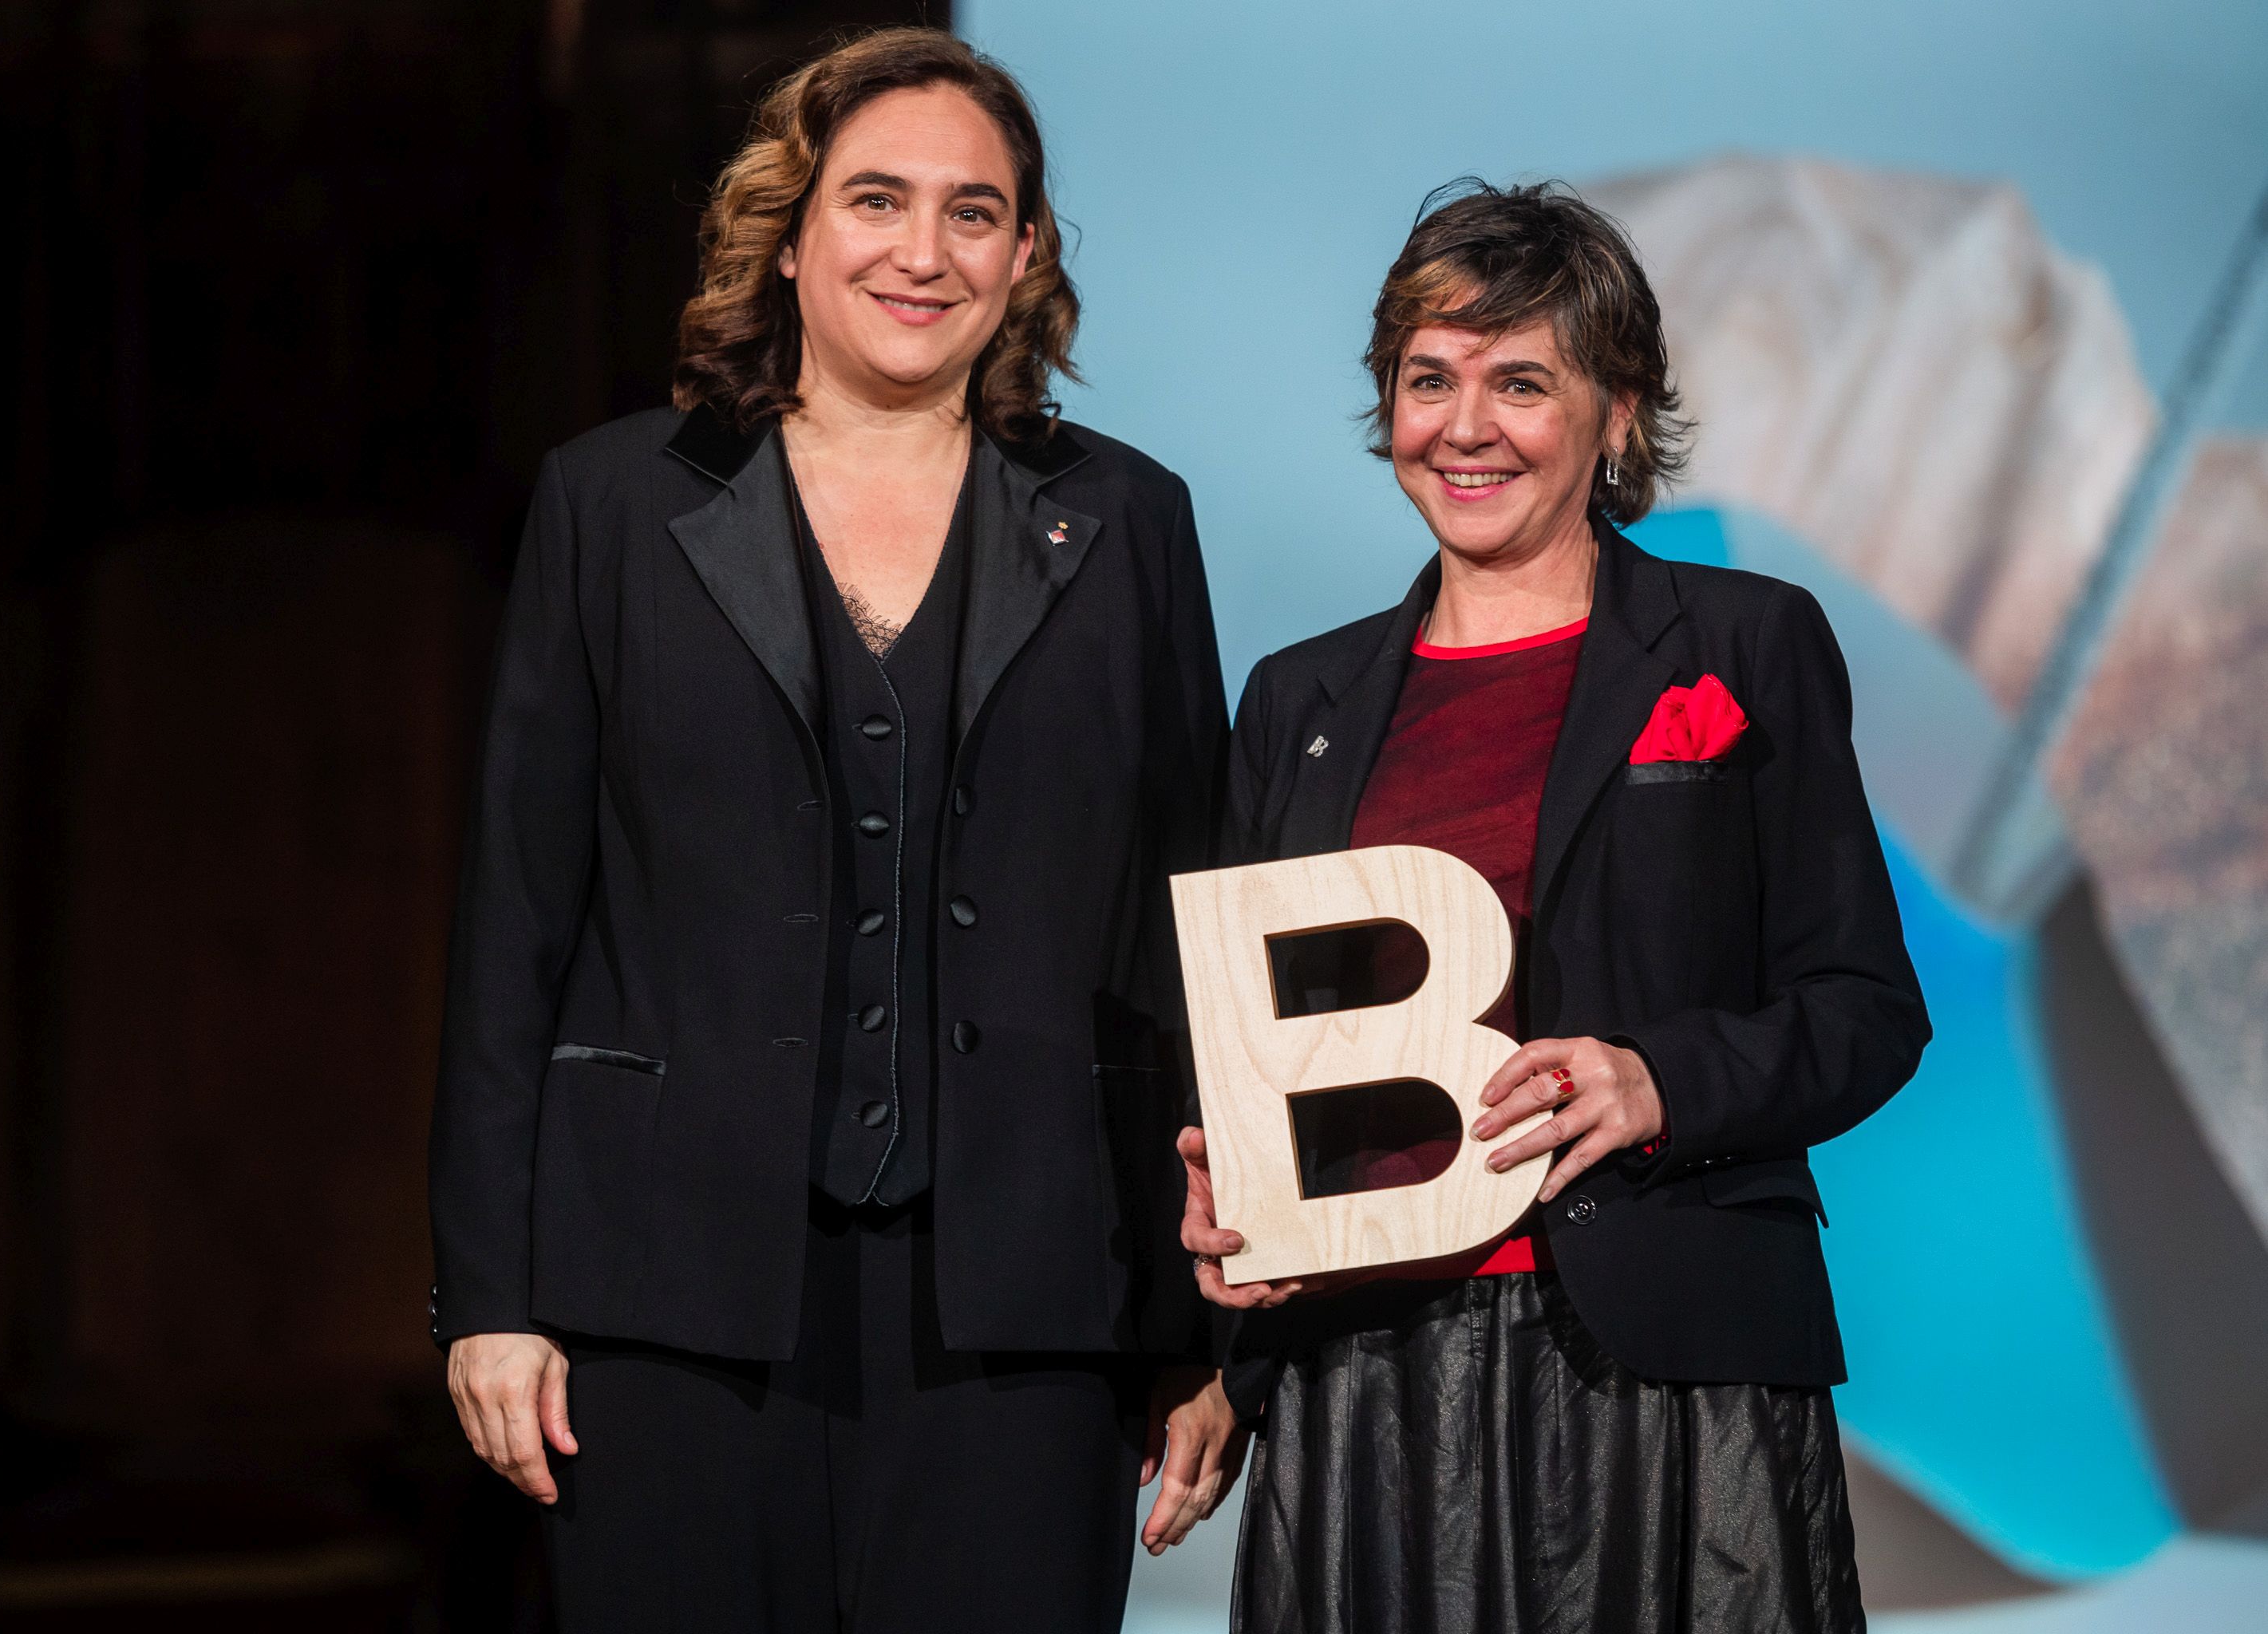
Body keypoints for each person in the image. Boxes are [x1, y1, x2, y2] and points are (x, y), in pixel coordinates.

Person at [428, 29, 1236, 1632]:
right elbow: (515, 920)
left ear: (1024, 255)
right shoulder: (612, 507)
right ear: (791, 234)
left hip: (1032, 1300)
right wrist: (493, 1295)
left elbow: (1183, 922)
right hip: (661, 1300)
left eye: (973, 212)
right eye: (877, 200)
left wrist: (1197, 1329)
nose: (921, 252)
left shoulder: (1130, 519)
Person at [1179, 180, 1930, 1634]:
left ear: (1617, 415)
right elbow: (1249, 1062)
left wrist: (1658, 1082)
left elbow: (1864, 1009)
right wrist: (1226, 1214)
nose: (1465, 426)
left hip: (1673, 1363)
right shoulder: (1296, 701)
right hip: (1366, 1363)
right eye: (1428, 380)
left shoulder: (1744, 643)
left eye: (1520, 381)